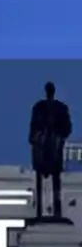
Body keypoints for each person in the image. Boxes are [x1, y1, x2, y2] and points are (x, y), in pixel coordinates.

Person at [29, 81, 72, 218]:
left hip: (53, 146)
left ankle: (56, 210)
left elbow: (67, 128)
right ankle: (41, 210)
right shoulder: (40, 108)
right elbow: (33, 128)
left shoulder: (58, 108)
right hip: (42, 147)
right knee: (43, 180)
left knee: (55, 180)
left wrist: (58, 137)